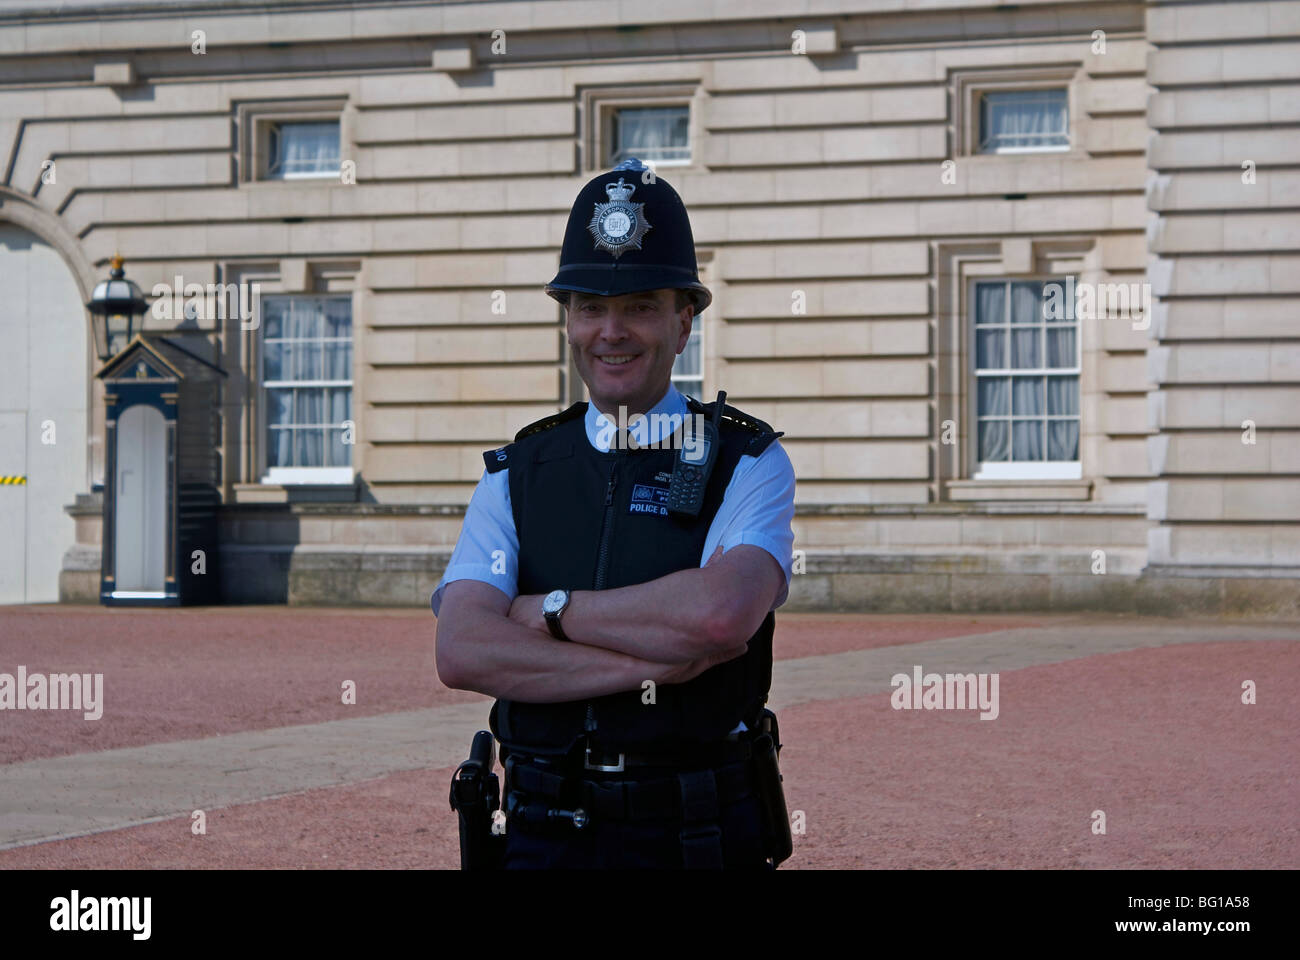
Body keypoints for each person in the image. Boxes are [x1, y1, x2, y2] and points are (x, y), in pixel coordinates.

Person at [432, 158, 796, 869]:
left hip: (695, 836)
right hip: (540, 835)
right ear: (568, 321)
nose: (612, 331)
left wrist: (548, 612)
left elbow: (718, 618)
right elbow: (462, 650)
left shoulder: (746, 462)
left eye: (640, 306)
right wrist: (655, 661)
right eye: (591, 307)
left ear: (683, 323)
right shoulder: (518, 473)